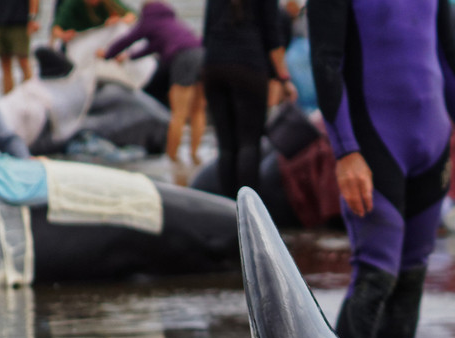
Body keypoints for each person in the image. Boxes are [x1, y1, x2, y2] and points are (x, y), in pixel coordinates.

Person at [311, 0, 455, 338]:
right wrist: (346, 151)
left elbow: (447, 53)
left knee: (411, 276)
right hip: (373, 144)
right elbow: (326, 62)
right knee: (376, 274)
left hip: (431, 143)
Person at [201, 0, 290, 197]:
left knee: (225, 146)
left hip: (214, 65)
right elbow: (273, 37)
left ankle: (227, 210)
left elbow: (206, 35)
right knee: (249, 143)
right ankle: (248, 209)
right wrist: (284, 78)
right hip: (249, 64)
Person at [103, 1, 204, 163]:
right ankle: (195, 155)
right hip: (201, 52)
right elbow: (154, 47)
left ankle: (172, 158)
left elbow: (128, 39)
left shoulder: (149, 20)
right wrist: (129, 57)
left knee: (178, 112)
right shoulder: (170, 22)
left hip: (183, 57)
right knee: (198, 110)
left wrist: (107, 54)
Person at [51, 0, 134, 43]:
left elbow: (132, 15)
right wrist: (64, 35)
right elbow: (55, 28)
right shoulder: (73, 3)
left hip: (100, 40)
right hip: (79, 40)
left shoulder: (107, 2)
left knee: (120, 27)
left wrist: (119, 20)